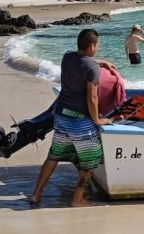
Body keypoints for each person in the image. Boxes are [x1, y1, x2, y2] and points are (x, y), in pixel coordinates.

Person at [29, 28, 110, 207]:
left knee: (53, 156)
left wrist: (101, 62)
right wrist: (97, 120)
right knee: (89, 162)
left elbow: (83, 62)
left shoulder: (67, 57)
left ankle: (36, 194)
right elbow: (92, 97)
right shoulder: (92, 68)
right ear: (92, 45)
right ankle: (78, 199)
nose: (97, 48)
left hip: (61, 117)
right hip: (79, 121)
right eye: (96, 45)